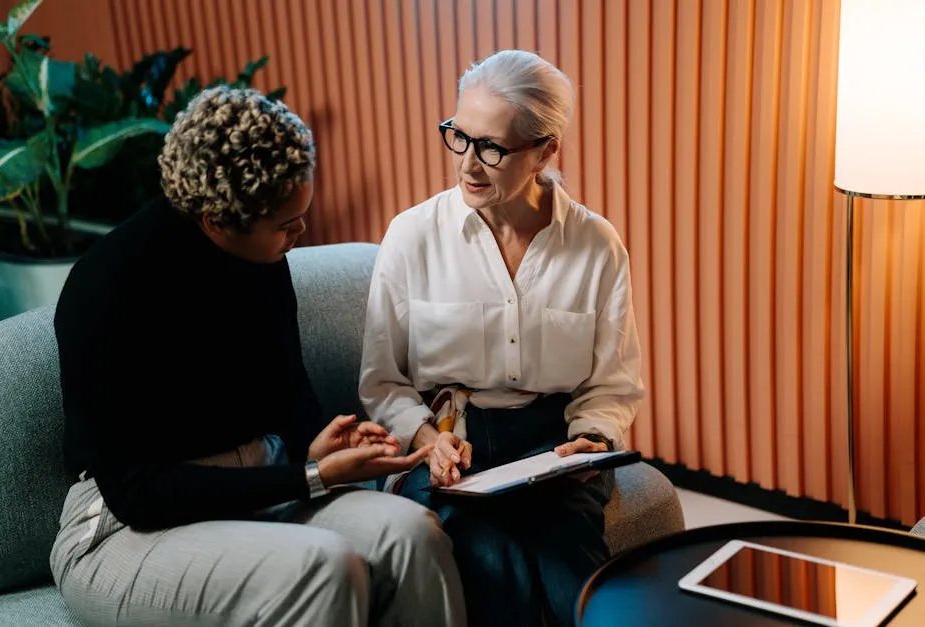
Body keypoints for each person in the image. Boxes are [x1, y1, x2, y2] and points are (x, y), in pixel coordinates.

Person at [50, 86, 466, 627]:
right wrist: (312, 476)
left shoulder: (263, 261)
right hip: (124, 529)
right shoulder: (104, 288)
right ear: (217, 221)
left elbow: (288, 393)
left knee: (413, 535)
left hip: (253, 487)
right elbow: (139, 495)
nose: (302, 233)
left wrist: (316, 444)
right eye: (287, 225)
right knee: (324, 567)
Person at [358, 49, 645, 627]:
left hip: (555, 445)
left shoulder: (596, 244)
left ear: (545, 150)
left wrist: (593, 435)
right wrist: (425, 438)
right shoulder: (412, 235)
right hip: (449, 442)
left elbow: (611, 382)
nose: (468, 164)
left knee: (580, 585)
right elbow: (383, 380)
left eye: (491, 147)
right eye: (458, 137)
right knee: (495, 568)